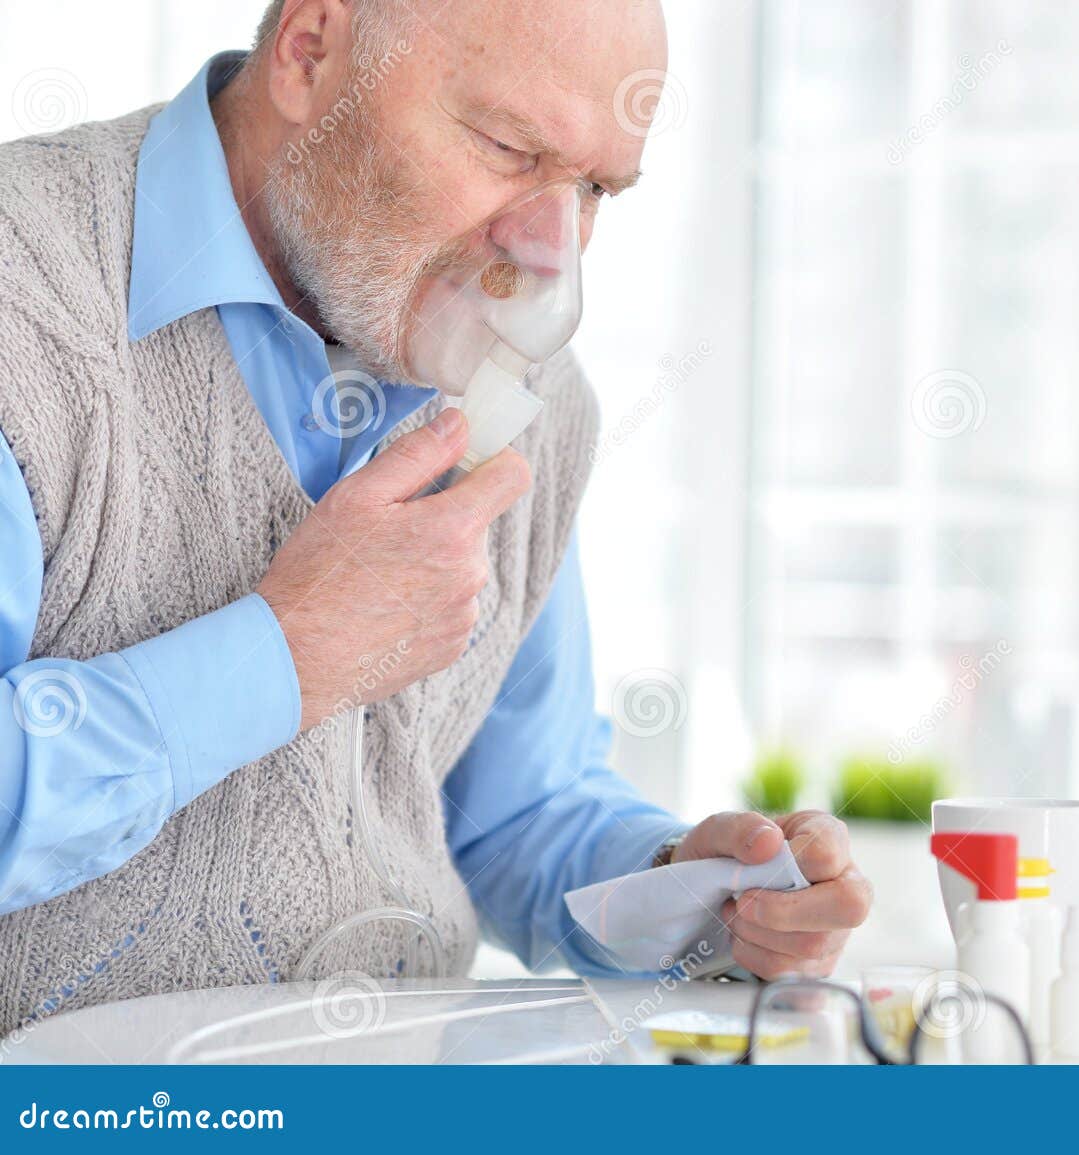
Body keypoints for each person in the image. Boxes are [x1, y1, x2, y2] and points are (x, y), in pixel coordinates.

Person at [0, 0, 871, 1034]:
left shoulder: (527, 399)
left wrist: (689, 889)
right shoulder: (27, 308)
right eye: (508, 149)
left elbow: (517, 812)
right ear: (312, 52)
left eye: (594, 188)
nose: (548, 254)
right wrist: (287, 652)